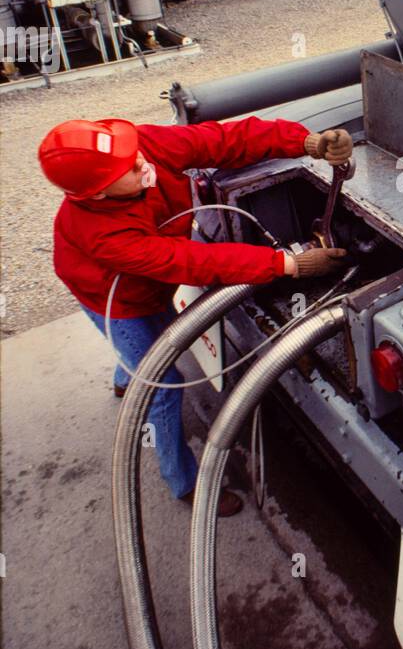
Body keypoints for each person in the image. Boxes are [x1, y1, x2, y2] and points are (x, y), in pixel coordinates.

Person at [37, 115, 353, 516]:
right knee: (162, 381)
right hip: (113, 298)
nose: (139, 162)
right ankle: (182, 481)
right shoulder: (102, 233)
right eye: (125, 168)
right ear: (97, 194)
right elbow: (190, 260)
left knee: (146, 342)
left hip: (150, 283)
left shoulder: (141, 146)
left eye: (131, 152)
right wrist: (289, 265)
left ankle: (125, 375)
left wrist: (305, 141)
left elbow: (221, 139)